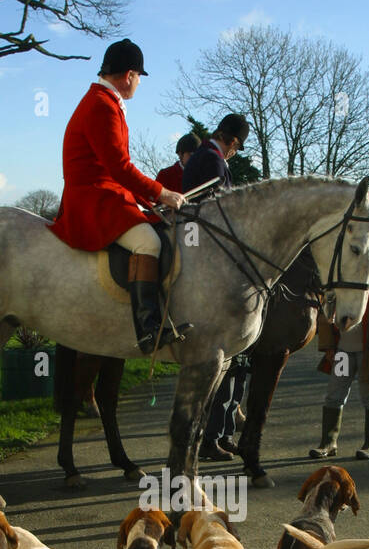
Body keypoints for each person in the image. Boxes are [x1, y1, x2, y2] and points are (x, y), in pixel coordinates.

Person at [50, 38, 187, 354]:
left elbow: (116, 169)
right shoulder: (102, 106)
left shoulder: (103, 101)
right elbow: (119, 166)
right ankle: (148, 330)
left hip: (104, 192)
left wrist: (146, 199)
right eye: (139, 77)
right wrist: (162, 193)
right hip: (92, 198)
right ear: (129, 75)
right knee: (147, 243)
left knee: (154, 227)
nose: (138, 83)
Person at [181, 114, 252, 461]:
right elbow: (219, 211)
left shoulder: (207, 156)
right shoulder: (211, 159)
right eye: (238, 145)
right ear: (233, 141)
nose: (236, 152)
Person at [310, 273, 369, 462]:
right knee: (334, 394)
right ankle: (328, 443)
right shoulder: (339, 279)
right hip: (343, 353)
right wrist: (328, 345)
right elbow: (326, 311)